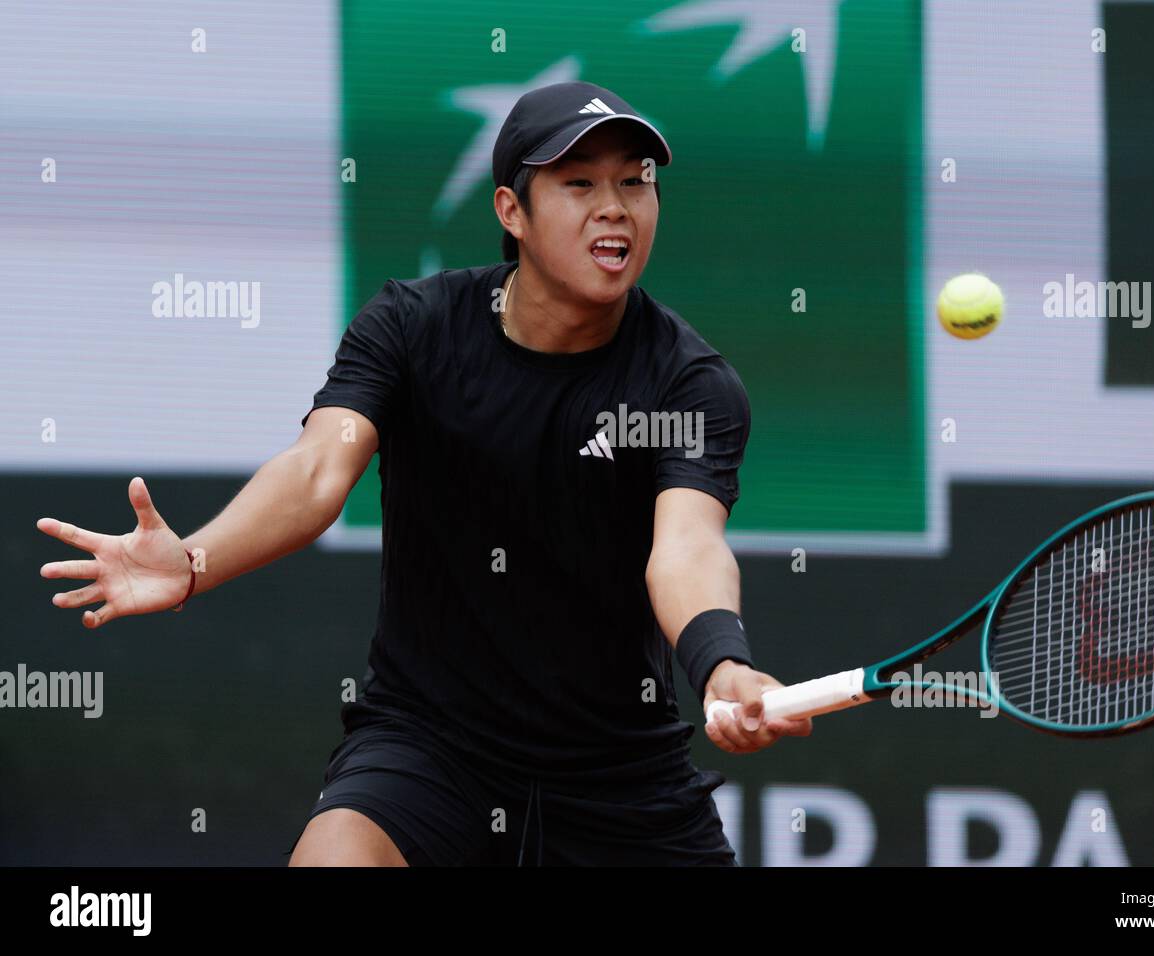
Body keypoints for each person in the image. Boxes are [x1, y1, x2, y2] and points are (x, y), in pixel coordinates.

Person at [36, 80, 812, 866]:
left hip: (621, 782)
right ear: (512, 210)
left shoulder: (687, 383)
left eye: (634, 181)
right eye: (579, 183)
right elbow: (316, 473)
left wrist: (722, 662)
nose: (615, 206)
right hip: (431, 753)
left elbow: (684, 548)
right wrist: (197, 559)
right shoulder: (413, 327)